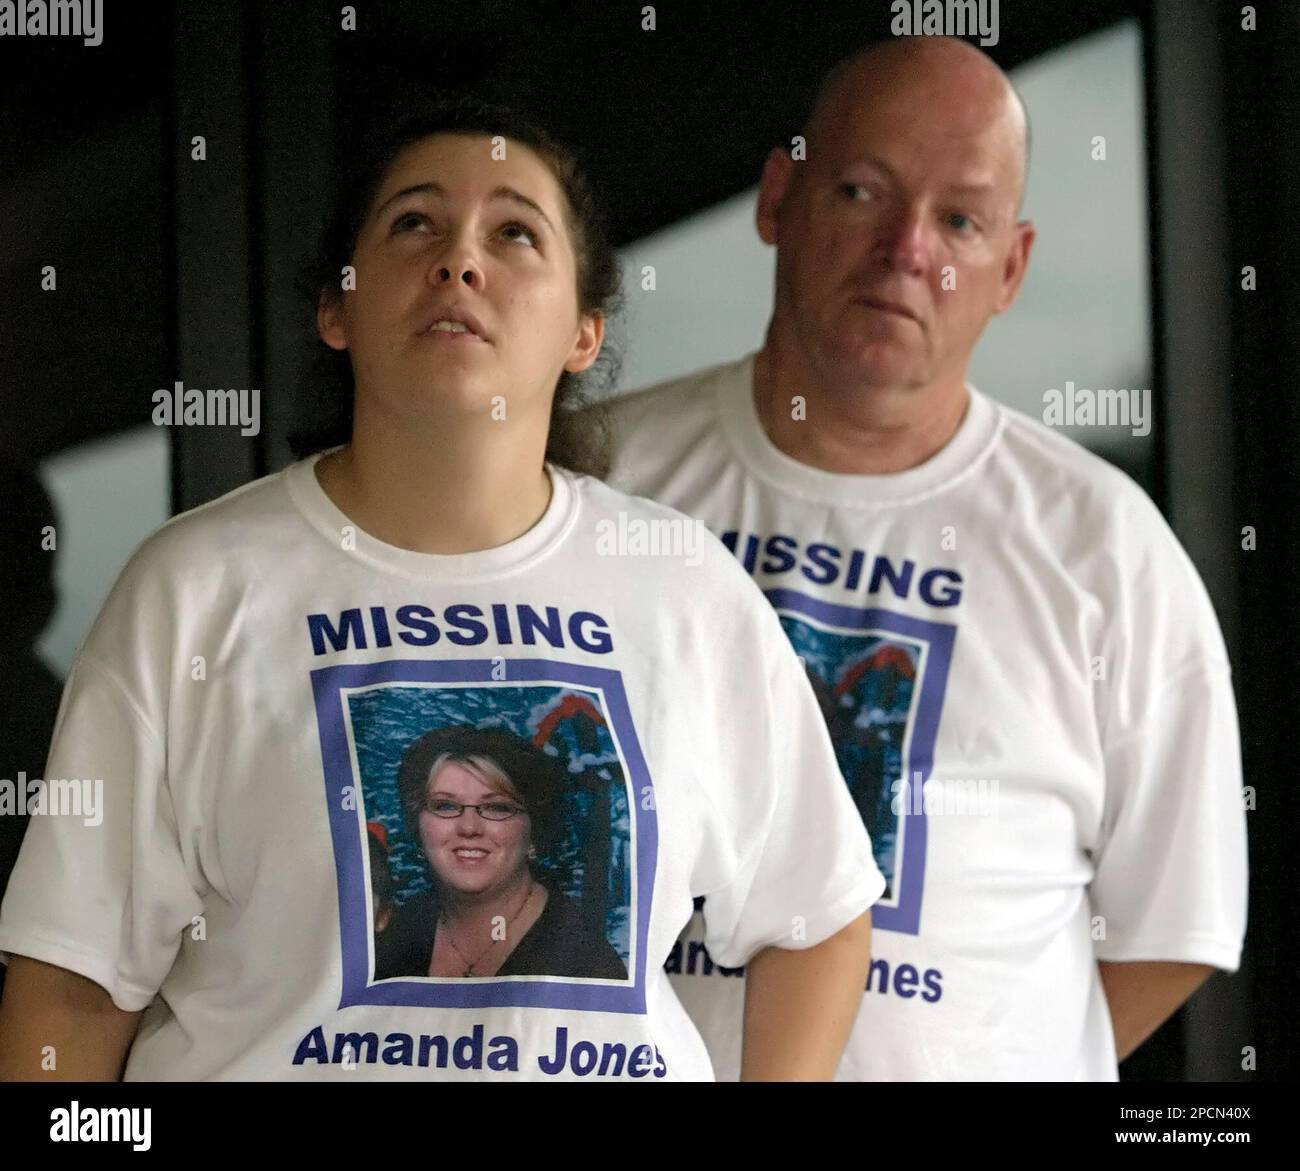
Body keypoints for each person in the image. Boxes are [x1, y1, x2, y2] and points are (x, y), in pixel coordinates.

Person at [0, 98, 883, 1082]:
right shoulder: (194, 589)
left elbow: (818, 915)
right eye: (414, 223)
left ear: (584, 330)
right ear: (336, 307)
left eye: (514, 232)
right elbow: (73, 983)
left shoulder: (682, 586)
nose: (460, 260)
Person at [599, 37, 1248, 1080]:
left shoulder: (1102, 549)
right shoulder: (600, 486)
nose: (906, 247)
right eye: (860, 191)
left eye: (960, 218)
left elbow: (1174, 924)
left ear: (1012, 266)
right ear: (777, 199)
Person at [375, 725, 627, 980]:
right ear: (418, 825)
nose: (469, 827)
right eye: (445, 805)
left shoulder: (585, 959)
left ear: (535, 830)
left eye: (497, 808)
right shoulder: (398, 934)